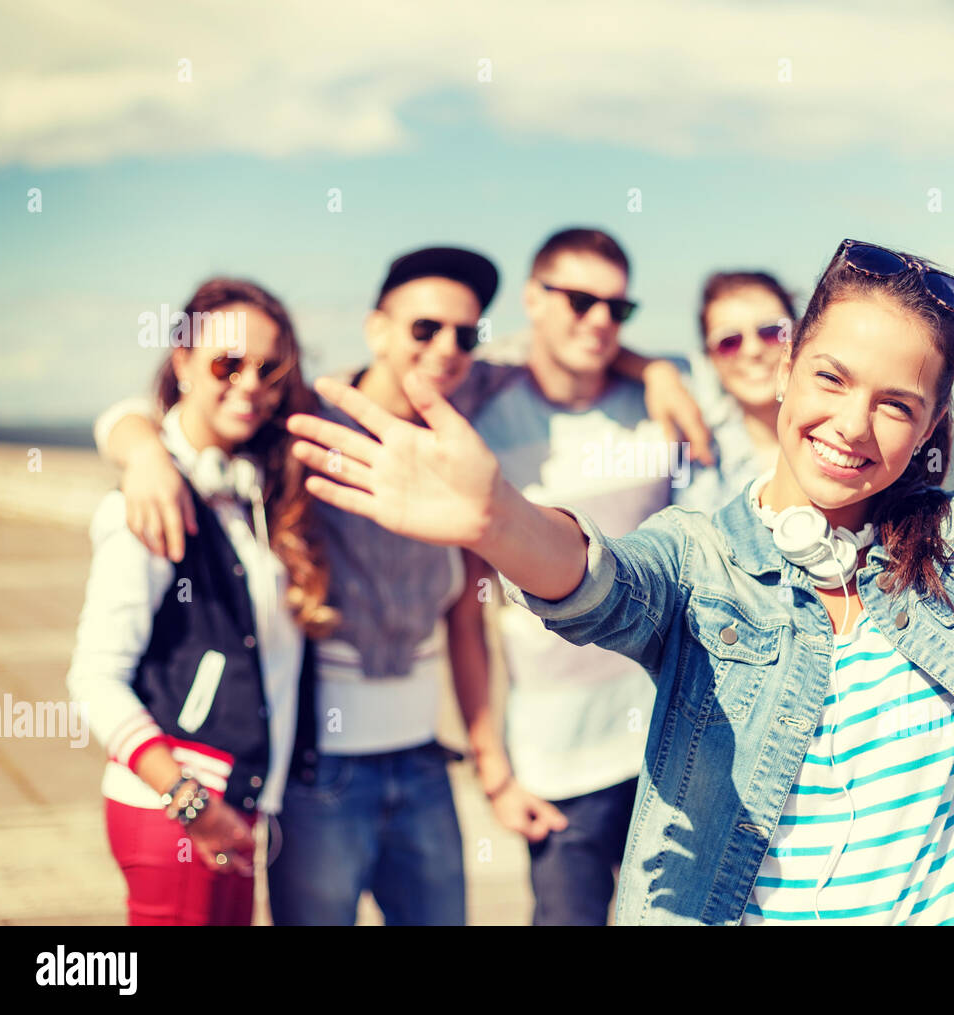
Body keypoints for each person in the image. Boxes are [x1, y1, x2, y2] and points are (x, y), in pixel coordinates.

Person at [284, 63, 954, 925]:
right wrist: (500, 521)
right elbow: (602, 584)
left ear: (929, 426)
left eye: (896, 405)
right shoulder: (702, 559)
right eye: (831, 378)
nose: (852, 424)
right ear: (789, 368)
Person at [92, 246, 712, 925]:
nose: (446, 347)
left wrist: (651, 367)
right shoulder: (307, 414)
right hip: (319, 768)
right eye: (424, 328)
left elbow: (567, 350)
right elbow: (203, 403)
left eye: (465, 333)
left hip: (423, 762)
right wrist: (139, 445)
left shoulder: (468, 395)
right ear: (377, 328)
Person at [67, 278, 334, 925]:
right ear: (182, 361)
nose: (251, 384)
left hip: (229, 808)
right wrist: (191, 803)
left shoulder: (251, 491)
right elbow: (93, 677)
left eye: (270, 369)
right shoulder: (150, 501)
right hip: (179, 810)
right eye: (227, 363)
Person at [470, 227, 703, 924]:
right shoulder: (478, 417)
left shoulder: (666, 397)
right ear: (532, 301)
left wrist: (656, 369)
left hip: (673, 741)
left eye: (618, 308)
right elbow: (464, 608)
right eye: (579, 301)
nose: (600, 320)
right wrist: (493, 767)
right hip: (556, 760)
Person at [676, 271, 796, 514]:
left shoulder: (841, 436)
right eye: (728, 341)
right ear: (710, 358)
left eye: (772, 331)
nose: (753, 350)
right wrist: (657, 374)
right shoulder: (700, 446)